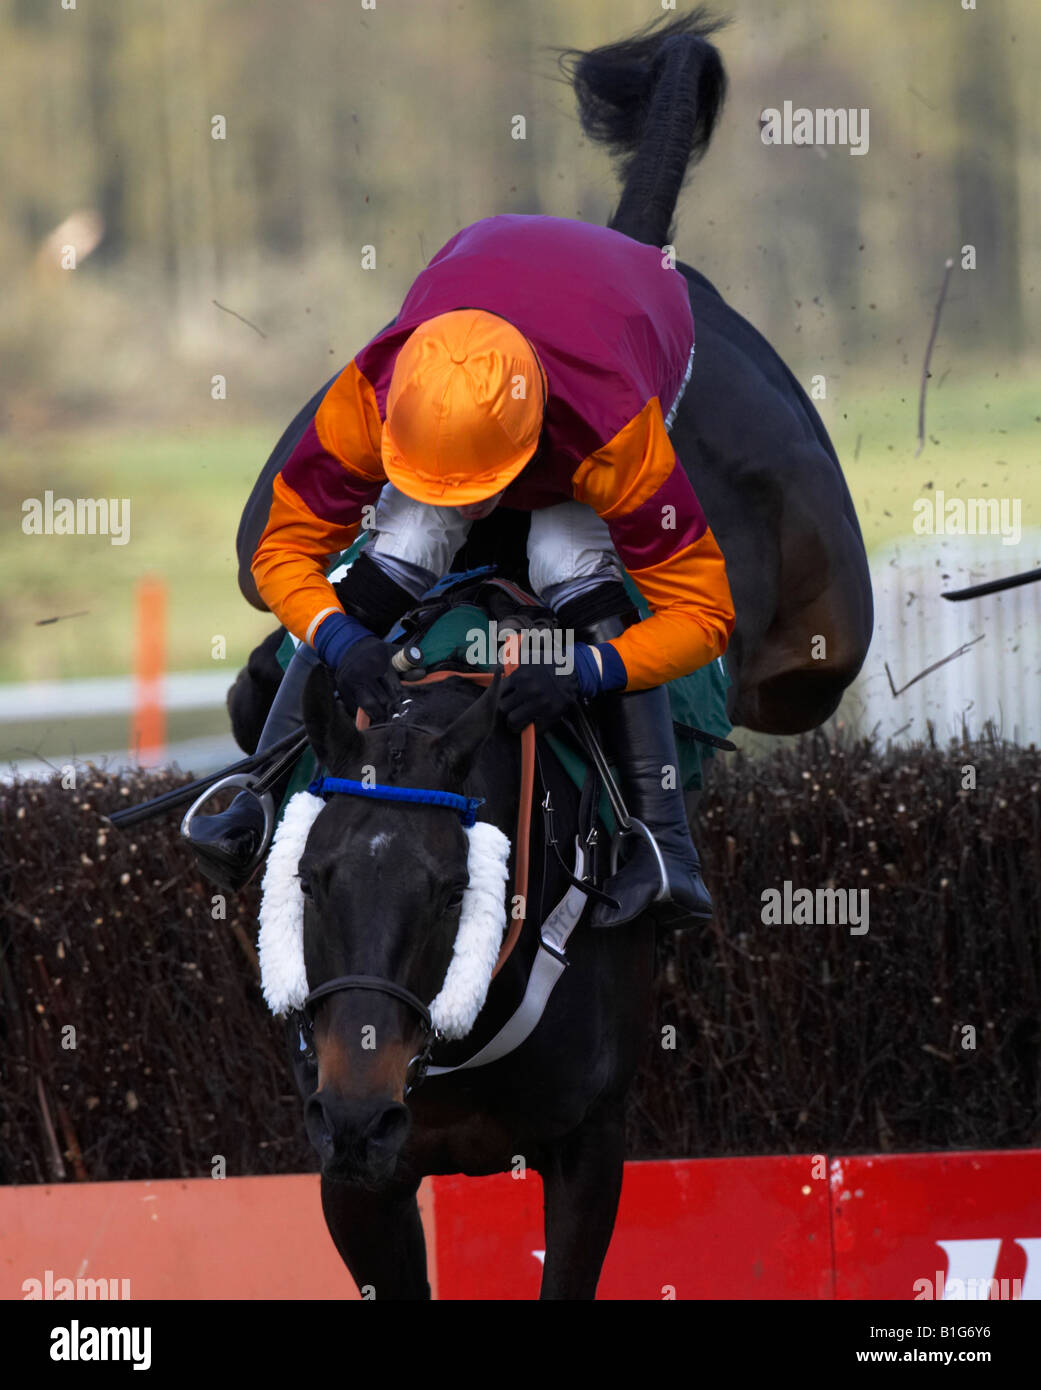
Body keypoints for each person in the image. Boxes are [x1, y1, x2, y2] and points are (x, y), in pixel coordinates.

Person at [188, 213, 735, 928]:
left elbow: (704, 616)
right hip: (483, 283)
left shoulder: (614, 433)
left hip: (643, 309)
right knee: (409, 538)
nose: (472, 516)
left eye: (478, 491)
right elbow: (281, 550)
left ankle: (666, 849)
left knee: (561, 552)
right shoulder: (370, 391)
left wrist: (586, 672)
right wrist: (338, 638)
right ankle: (254, 795)